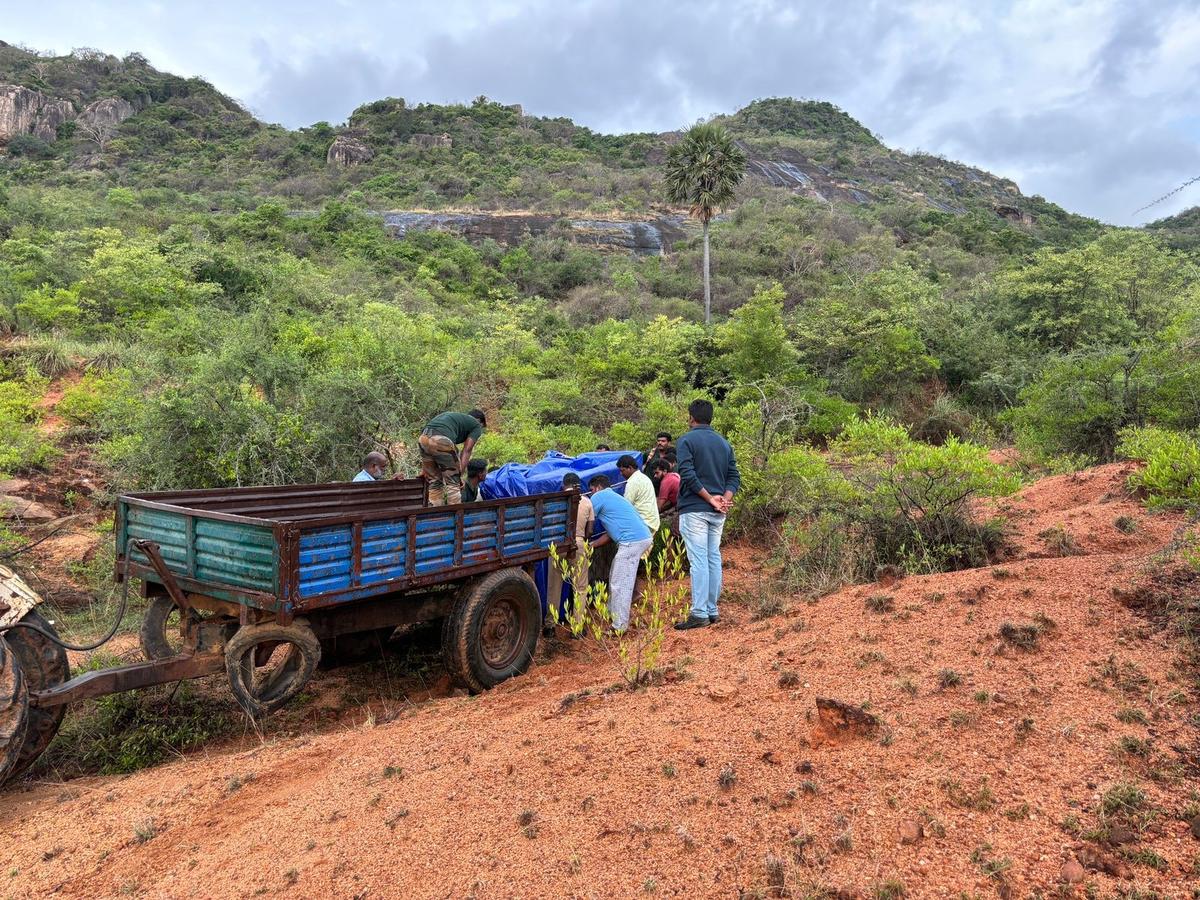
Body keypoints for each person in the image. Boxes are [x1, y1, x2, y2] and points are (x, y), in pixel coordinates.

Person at [673, 399, 740, 630]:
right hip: (717, 510)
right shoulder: (723, 443)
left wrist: (709, 498)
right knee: (713, 557)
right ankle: (712, 610)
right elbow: (734, 476)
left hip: (695, 508)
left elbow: (688, 474)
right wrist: (724, 498)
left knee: (699, 560)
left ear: (691, 417)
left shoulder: (686, 440)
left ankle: (699, 612)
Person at [587, 474, 653, 634]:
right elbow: (611, 534)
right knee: (615, 577)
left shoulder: (599, 496)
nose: (590, 494)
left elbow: (584, 516)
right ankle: (613, 615)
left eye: (591, 491)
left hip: (632, 542)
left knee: (620, 584)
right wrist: (592, 545)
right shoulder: (614, 498)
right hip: (640, 538)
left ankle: (619, 626)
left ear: (597, 487)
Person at [418, 409, 486, 505]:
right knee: (453, 484)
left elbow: (429, 440)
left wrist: (426, 469)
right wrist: (458, 476)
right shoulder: (476, 425)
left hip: (423, 438)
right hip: (441, 439)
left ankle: (434, 514)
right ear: (480, 422)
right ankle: (455, 516)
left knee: (434, 482)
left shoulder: (454, 418)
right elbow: (467, 450)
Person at [558, 472, 594, 624]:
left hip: (557, 545)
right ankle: (577, 627)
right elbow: (590, 531)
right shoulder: (586, 501)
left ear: (563, 486)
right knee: (580, 587)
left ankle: (550, 626)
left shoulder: (555, 501)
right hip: (578, 542)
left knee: (554, 586)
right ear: (578, 485)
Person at [617, 454, 659, 533]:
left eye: (622, 470)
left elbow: (626, 506)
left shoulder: (633, 482)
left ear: (630, 468)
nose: (621, 474)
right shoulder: (643, 477)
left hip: (643, 522)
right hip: (651, 521)